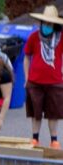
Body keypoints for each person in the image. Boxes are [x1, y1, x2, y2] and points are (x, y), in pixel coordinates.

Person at [25, 6, 63, 148]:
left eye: (50, 24)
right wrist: (27, 77)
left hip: (55, 82)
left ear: (55, 25)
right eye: (45, 23)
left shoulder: (61, 38)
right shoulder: (34, 37)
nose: (47, 26)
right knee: (36, 112)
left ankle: (54, 140)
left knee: (53, 113)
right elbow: (27, 57)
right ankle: (35, 138)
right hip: (35, 82)